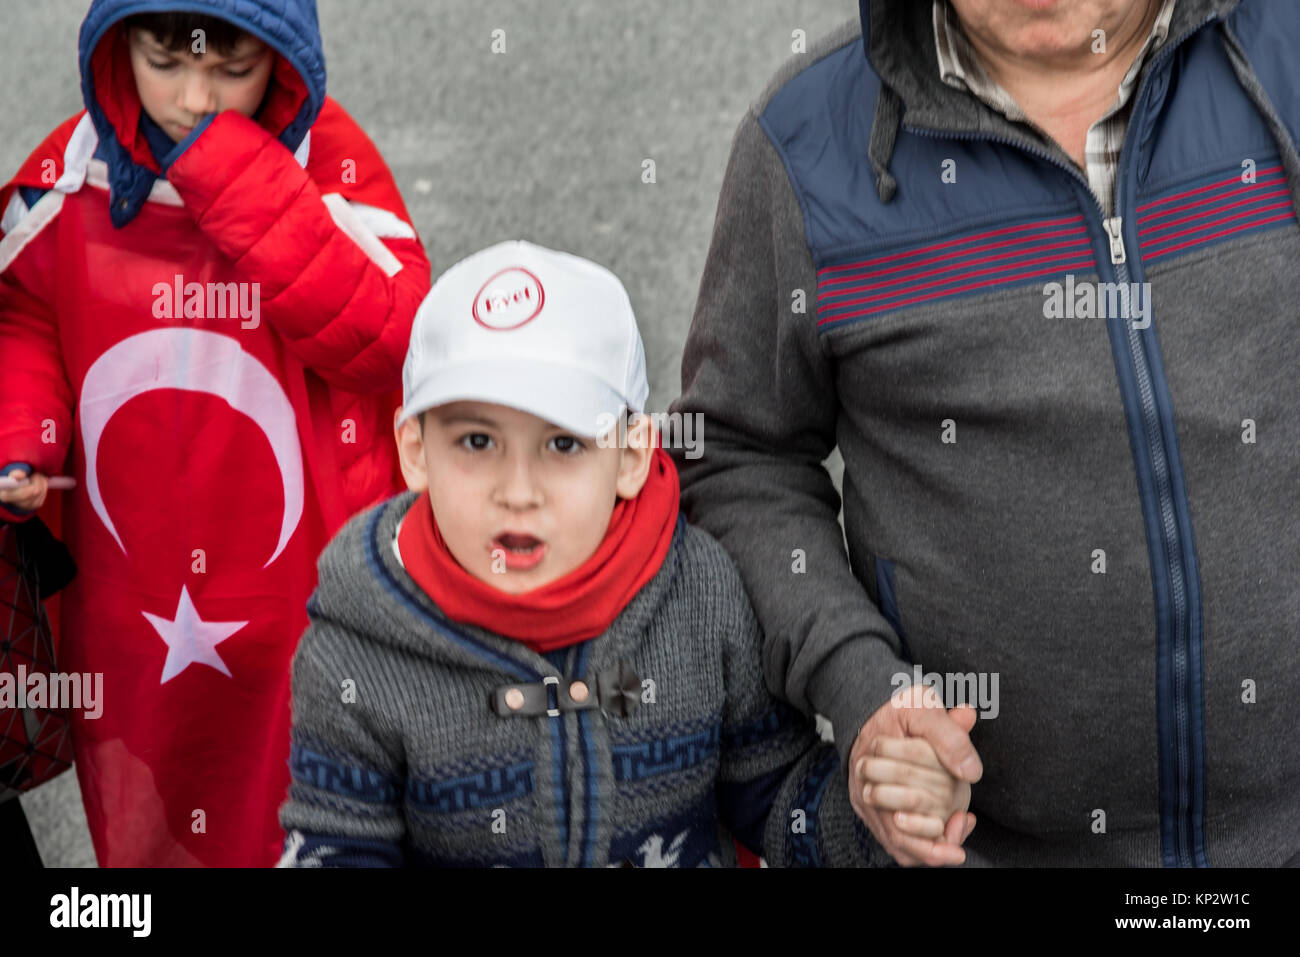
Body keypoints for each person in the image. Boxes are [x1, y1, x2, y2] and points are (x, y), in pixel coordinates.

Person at [668, 0, 1300, 866]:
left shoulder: (1286, 56)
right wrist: (861, 685)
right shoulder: (806, 142)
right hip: (984, 848)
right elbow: (737, 455)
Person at [274, 240, 942, 866]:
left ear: (629, 455)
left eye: (563, 445)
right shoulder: (354, 651)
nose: (517, 491)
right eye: (477, 442)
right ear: (415, 451)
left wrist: (876, 818)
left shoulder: (702, 594)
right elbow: (338, 847)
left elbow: (773, 795)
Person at [0, 0, 431, 866]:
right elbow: (21, 318)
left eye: (232, 69)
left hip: (299, 584)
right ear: (118, 44)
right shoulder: (66, 174)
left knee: (309, 799)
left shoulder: (329, 166)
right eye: (167, 61)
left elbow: (395, 333)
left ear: (284, 57)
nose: (195, 97)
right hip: (132, 589)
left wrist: (241, 185)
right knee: (151, 803)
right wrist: (24, 436)